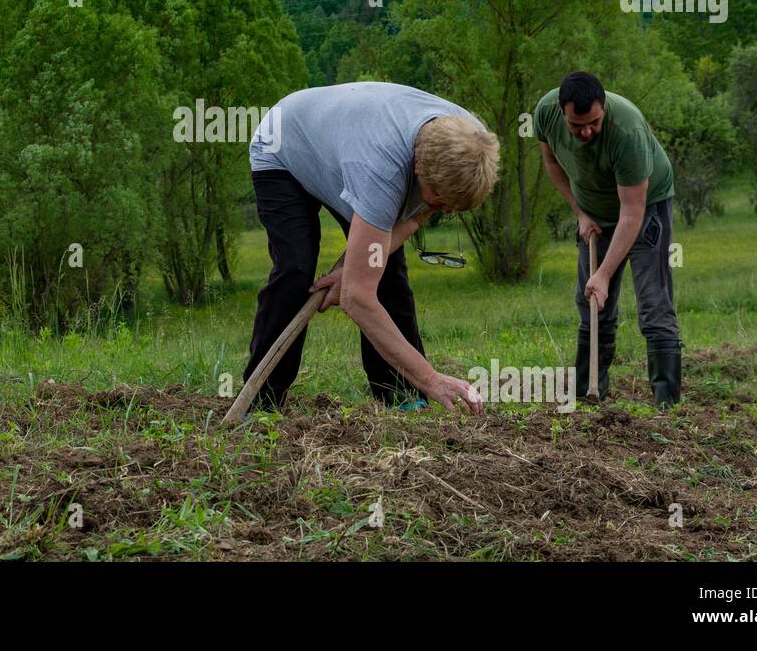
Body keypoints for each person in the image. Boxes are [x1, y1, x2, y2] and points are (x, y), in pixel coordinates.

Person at [244, 81, 500, 414]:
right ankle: (261, 399)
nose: (445, 211)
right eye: (441, 200)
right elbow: (357, 298)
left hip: (343, 147)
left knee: (387, 271)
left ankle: (399, 395)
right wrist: (431, 377)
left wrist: (356, 267)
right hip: (283, 146)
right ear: (419, 167)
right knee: (296, 270)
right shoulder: (380, 170)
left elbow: (420, 212)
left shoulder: (471, 143)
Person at [536, 71, 682, 407]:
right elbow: (551, 162)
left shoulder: (627, 130)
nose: (586, 131)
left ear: (604, 108)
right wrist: (579, 212)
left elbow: (632, 214)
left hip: (645, 208)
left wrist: (603, 273)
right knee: (592, 302)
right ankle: (589, 393)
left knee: (653, 303)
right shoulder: (544, 111)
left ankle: (667, 405)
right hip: (594, 212)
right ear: (561, 112)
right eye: (577, 126)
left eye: (594, 122)